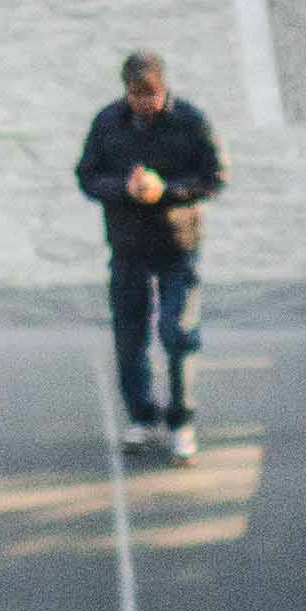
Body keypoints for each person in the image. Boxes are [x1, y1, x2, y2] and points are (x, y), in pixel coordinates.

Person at [76, 47, 222, 457]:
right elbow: (87, 175)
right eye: (138, 95)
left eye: (153, 94)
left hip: (178, 244)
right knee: (129, 335)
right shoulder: (108, 123)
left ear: (164, 87)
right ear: (126, 92)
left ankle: (181, 419)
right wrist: (123, 188)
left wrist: (168, 190)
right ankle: (141, 415)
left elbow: (213, 177)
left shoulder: (190, 121)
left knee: (177, 333)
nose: (147, 102)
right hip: (128, 245)